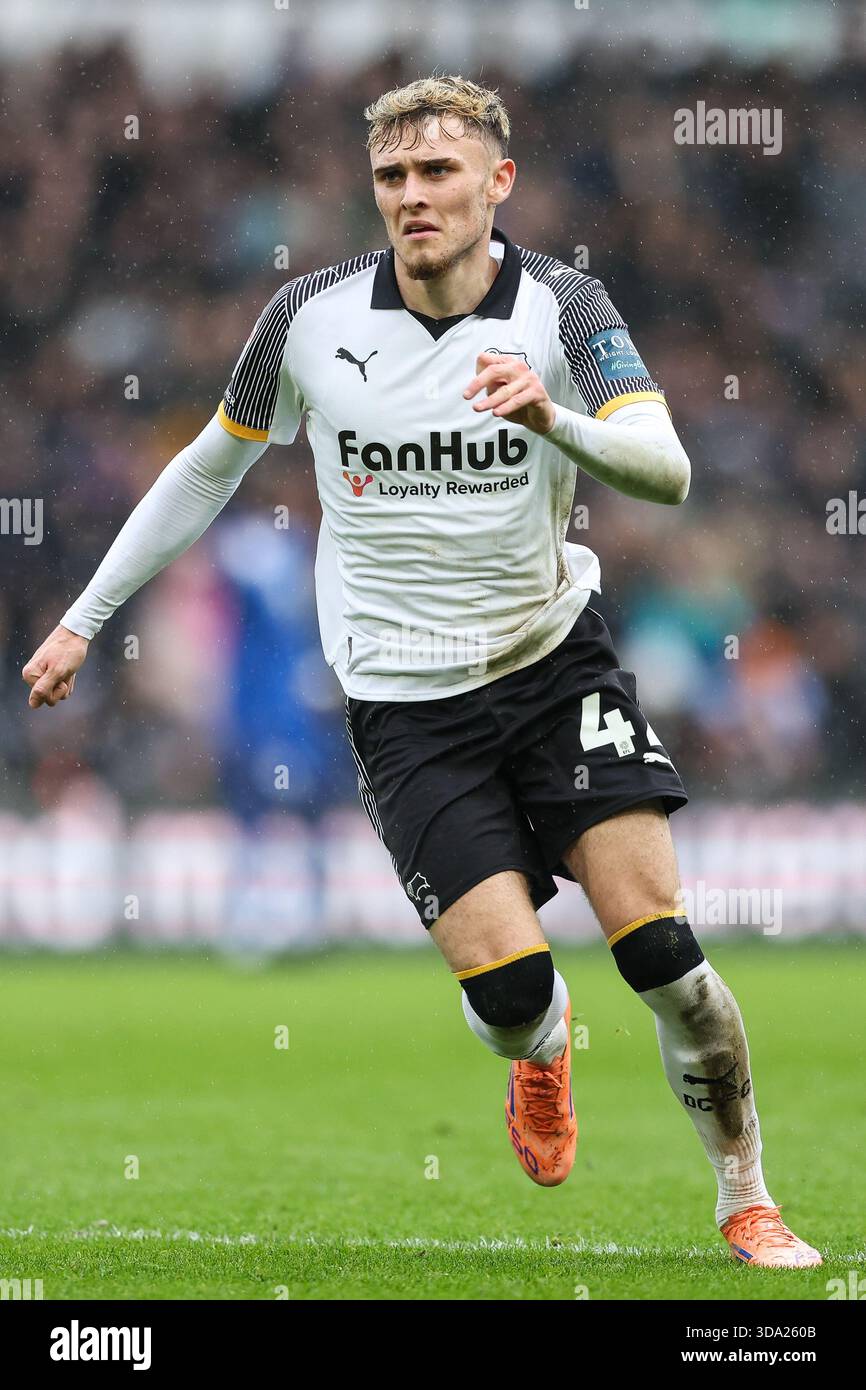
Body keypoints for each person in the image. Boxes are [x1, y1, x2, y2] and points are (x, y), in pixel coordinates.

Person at [23, 74, 820, 1268]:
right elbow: (205, 469)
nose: (412, 196)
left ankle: (744, 1196)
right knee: (507, 1002)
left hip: (554, 668)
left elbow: (666, 470)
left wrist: (555, 421)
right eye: (392, 176)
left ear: (497, 182)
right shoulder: (307, 317)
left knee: (662, 955)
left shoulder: (561, 304)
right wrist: (86, 618)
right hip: (405, 706)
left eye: (438, 172)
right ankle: (542, 1062)